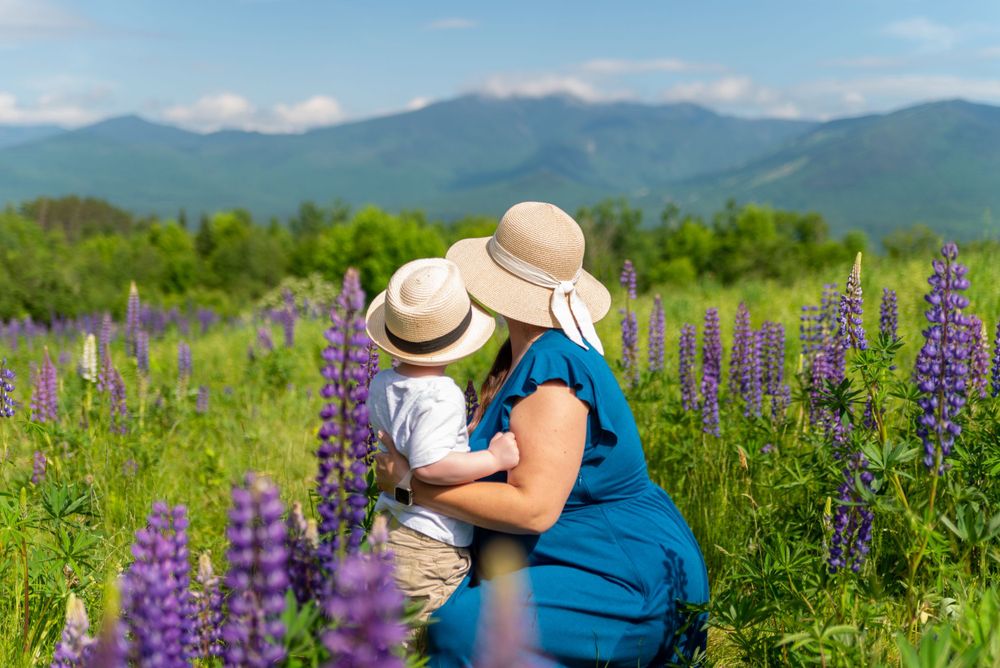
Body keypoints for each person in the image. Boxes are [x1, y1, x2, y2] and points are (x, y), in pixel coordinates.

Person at [375, 202, 709, 667]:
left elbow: (533, 509)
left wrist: (409, 485)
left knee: (460, 627)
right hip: (574, 563)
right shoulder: (524, 354)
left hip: (616, 573)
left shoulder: (554, 368)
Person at [365, 258, 521, 627]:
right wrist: (493, 458)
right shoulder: (441, 395)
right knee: (415, 632)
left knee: (382, 624)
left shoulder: (381, 382)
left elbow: (408, 441)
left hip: (392, 521)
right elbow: (431, 468)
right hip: (430, 542)